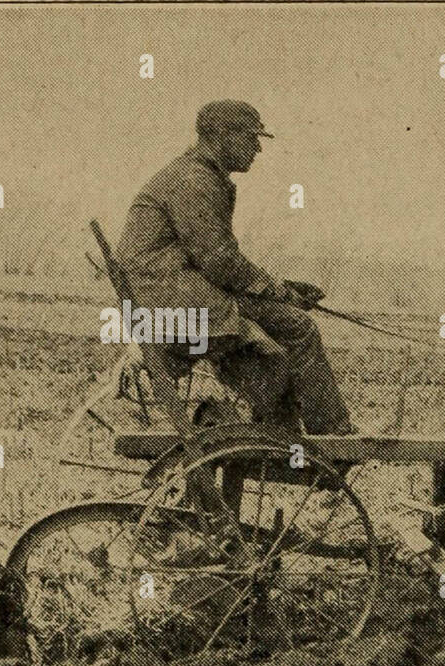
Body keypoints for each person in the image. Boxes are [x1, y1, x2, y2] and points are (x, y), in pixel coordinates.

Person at [116, 100, 354, 434]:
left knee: (277, 339)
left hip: (178, 295)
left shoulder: (197, 175)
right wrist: (280, 292)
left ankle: (278, 431)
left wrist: (281, 288)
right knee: (298, 328)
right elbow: (220, 261)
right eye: (251, 137)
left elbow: (217, 262)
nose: (257, 148)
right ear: (223, 135)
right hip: (175, 301)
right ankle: (332, 433)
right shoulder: (193, 180)